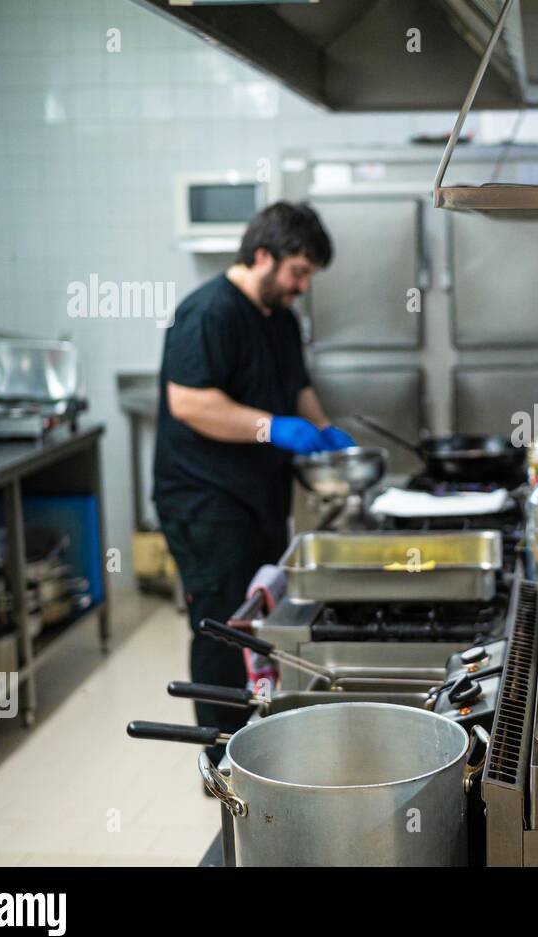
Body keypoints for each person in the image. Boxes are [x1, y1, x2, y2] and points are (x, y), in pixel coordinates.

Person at [152, 201, 353, 760]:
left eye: (309, 275)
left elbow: (298, 391)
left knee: (261, 620)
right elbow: (190, 402)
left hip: (261, 498)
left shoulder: (281, 319)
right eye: (298, 272)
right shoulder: (208, 313)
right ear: (262, 256)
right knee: (222, 628)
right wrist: (273, 429)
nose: (302, 286)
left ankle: (259, 743)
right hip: (205, 503)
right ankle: (220, 758)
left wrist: (329, 436)